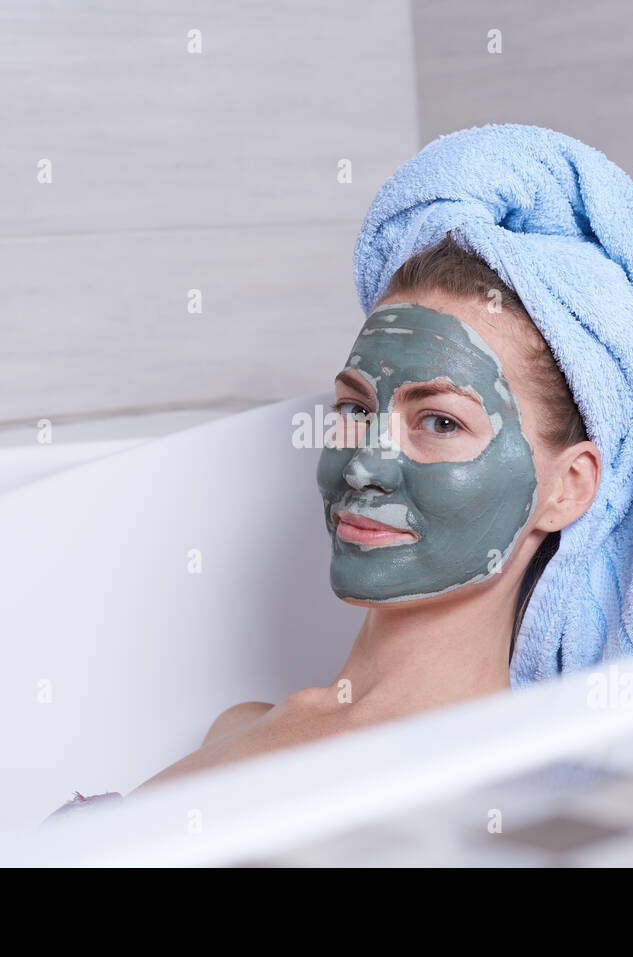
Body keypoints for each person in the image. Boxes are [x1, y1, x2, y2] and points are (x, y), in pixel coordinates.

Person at [129, 232, 599, 792]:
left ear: (567, 488)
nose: (360, 467)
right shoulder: (241, 726)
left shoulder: (458, 797)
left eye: (441, 422)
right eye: (354, 407)